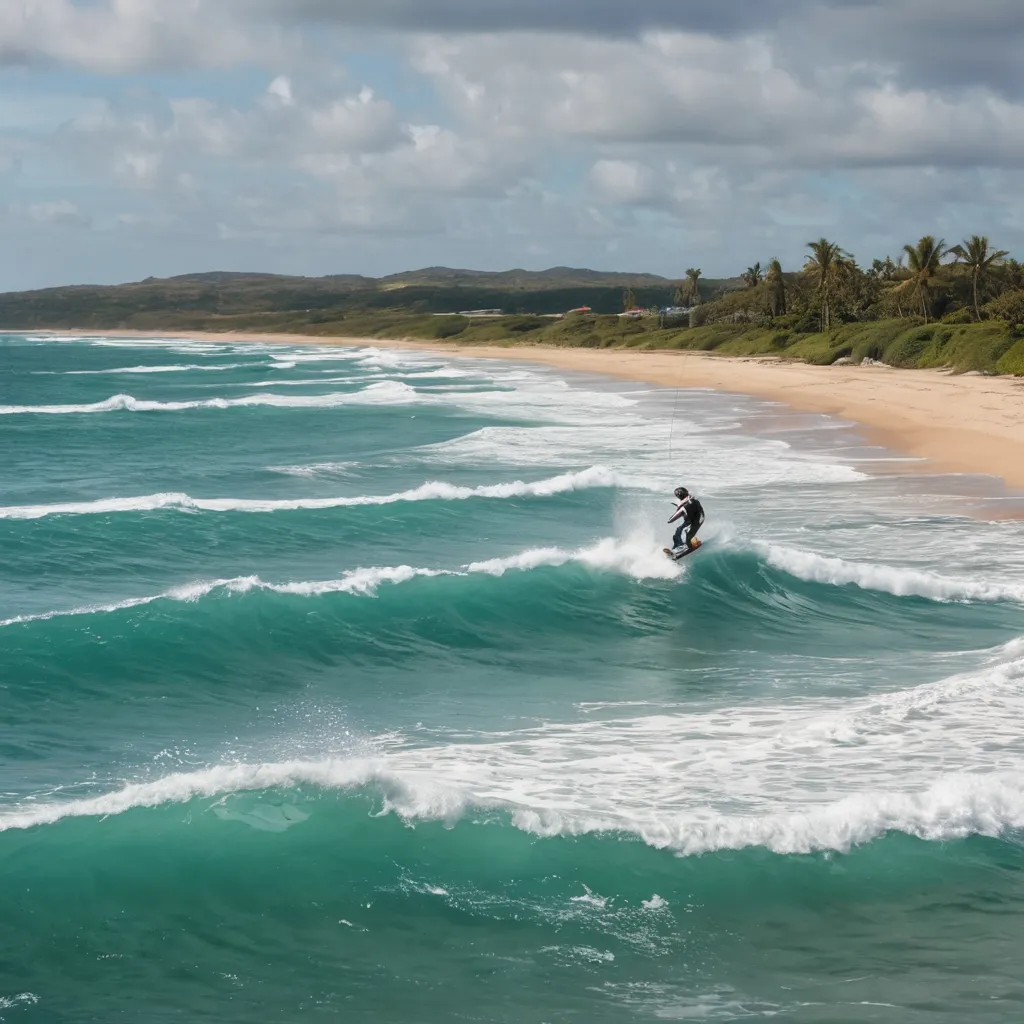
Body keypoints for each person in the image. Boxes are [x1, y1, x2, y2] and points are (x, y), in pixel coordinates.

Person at [668, 487, 704, 554]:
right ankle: (677, 547)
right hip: (695, 519)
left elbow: (670, 520)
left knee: (683, 531)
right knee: (679, 530)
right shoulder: (692, 500)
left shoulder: (687, 504)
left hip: (695, 520)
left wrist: (679, 508)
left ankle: (683, 547)